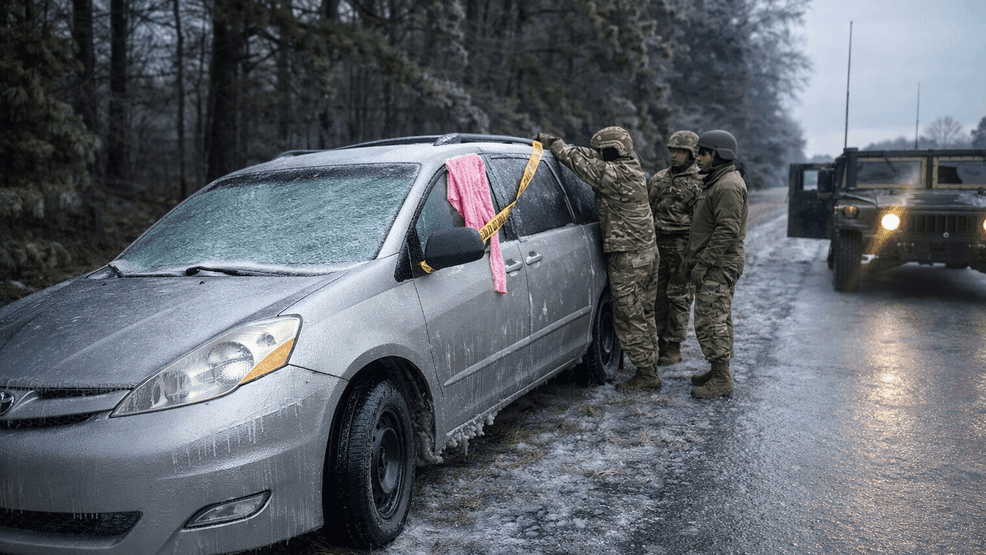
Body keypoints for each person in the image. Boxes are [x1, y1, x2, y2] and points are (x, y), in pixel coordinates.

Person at [535, 127, 662, 391]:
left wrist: (556, 143)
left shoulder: (615, 175)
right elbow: (587, 156)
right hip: (646, 254)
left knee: (629, 315)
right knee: (645, 312)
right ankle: (649, 363)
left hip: (630, 258)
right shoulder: (632, 166)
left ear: (611, 151)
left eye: (602, 151)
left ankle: (647, 374)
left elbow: (581, 164)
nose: (598, 155)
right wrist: (569, 146)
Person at [683, 129, 748, 398]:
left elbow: (726, 230)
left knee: (711, 321)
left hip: (719, 265)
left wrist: (703, 265)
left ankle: (721, 377)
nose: (698, 157)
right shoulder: (717, 182)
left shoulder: (728, 185)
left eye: (704, 153)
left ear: (719, 155)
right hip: (716, 263)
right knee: (718, 317)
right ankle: (719, 370)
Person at [648, 130, 703, 367]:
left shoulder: (701, 181)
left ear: (692, 154)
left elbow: (703, 220)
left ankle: (673, 346)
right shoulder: (659, 179)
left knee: (679, 297)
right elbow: (649, 209)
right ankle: (659, 341)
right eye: (672, 150)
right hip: (659, 244)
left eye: (681, 151)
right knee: (657, 296)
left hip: (685, 247)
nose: (675, 155)